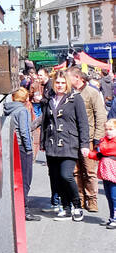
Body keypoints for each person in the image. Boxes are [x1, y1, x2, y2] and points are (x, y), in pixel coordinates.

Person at [40, 71, 90, 219]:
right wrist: (43, 142)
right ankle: (66, 208)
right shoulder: (50, 99)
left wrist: (85, 144)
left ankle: (77, 205)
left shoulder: (75, 99)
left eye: (62, 83)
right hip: (52, 144)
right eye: (57, 82)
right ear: (53, 84)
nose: (60, 85)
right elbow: (45, 122)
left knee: (66, 175)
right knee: (56, 178)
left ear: (67, 84)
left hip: (69, 143)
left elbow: (83, 123)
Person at [68, 65, 106, 213]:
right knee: (75, 172)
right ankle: (80, 199)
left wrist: (98, 137)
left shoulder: (92, 93)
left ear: (77, 78)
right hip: (72, 139)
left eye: (68, 77)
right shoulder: (69, 93)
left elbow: (101, 115)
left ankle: (92, 200)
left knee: (89, 171)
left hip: (88, 138)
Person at [3, 87, 40, 220]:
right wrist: (29, 149)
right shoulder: (22, 110)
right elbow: (24, 131)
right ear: (24, 99)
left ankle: (17, 208)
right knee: (25, 179)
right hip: (23, 148)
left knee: (15, 179)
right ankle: (24, 209)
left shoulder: (8, 109)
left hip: (13, 146)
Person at [93, 118, 116, 229]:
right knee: (108, 196)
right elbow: (97, 153)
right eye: (106, 129)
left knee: (113, 196)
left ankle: (115, 218)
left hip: (113, 171)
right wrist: (90, 154)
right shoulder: (103, 140)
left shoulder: (111, 142)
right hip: (105, 171)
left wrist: (101, 152)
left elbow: (106, 150)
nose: (108, 131)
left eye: (111, 129)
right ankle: (112, 217)